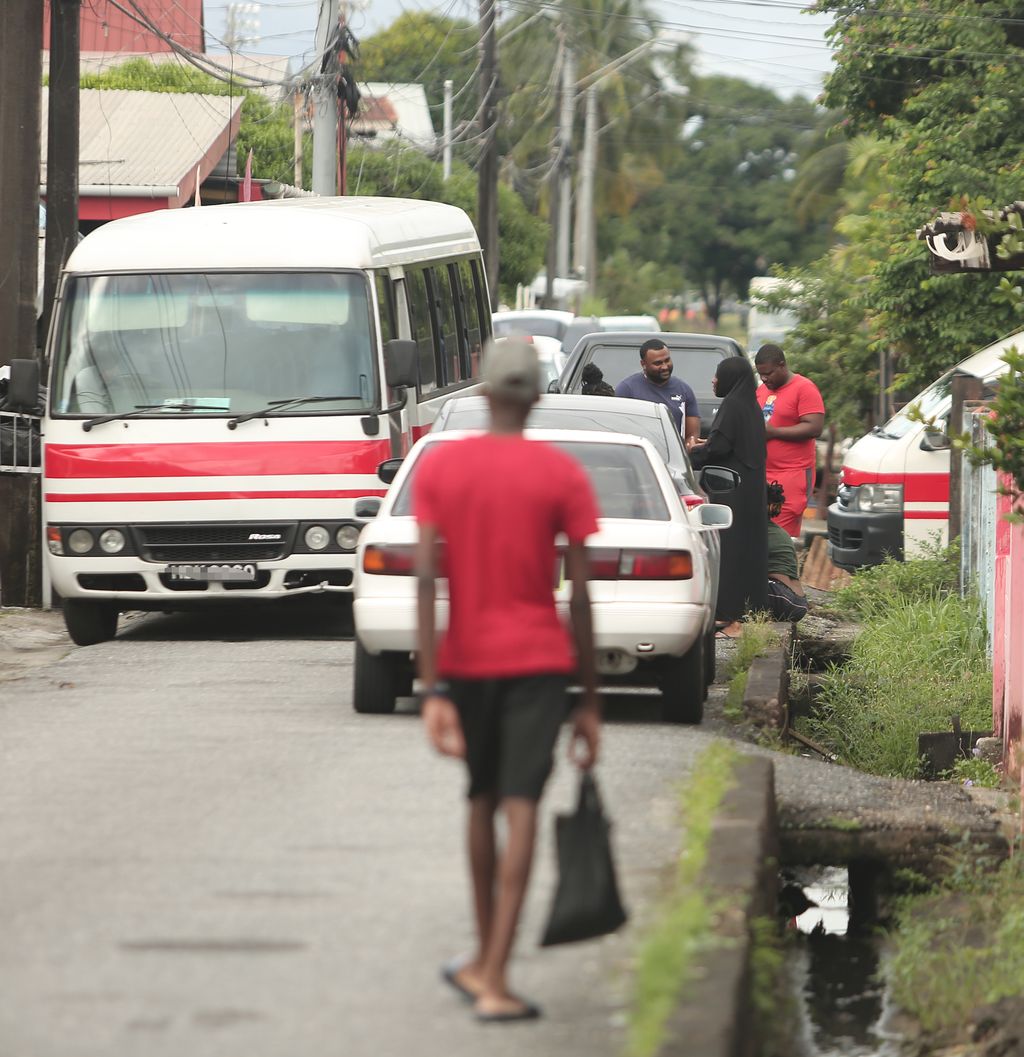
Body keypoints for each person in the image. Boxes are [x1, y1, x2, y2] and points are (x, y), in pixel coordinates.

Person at [413, 337, 602, 1024]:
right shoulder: (561, 474)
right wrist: (589, 700)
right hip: (539, 663)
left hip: (466, 661)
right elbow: (580, 596)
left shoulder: (443, 467)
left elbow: (426, 578)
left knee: (481, 799)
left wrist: (432, 686)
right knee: (522, 805)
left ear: (485, 391)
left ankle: (484, 960)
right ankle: (494, 972)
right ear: (538, 396)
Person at [688, 357, 768, 638]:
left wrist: (693, 452)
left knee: (730, 553)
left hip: (731, 492)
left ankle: (730, 618)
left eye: (718, 375)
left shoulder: (732, 405)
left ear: (731, 379)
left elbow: (719, 448)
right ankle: (745, 614)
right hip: (750, 491)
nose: (713, 380)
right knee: (746, 553)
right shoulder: (750, 406)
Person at [754, 343, 825, 538]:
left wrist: (775, 432)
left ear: (782, 365)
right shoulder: (762, 390)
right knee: (762, 536)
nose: (764, 378)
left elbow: (815, 427)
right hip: (764, 474)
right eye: (760, 374)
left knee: (780, 537)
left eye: (768, 373)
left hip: (792, 475)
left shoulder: (804, 388)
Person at [614, 339, 701, 445]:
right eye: (657, 363)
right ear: (643, 364)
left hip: (673, 453)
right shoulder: (627, 390)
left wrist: (688, 446)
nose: (664, 367)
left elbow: (692, 435)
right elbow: (617, 429)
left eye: (667, 360)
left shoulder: (684, 390)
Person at [766, 480, 808, 622]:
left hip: (783, 597)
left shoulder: (757, 530)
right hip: (798, 602)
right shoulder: (777, 531)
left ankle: (732, 625)